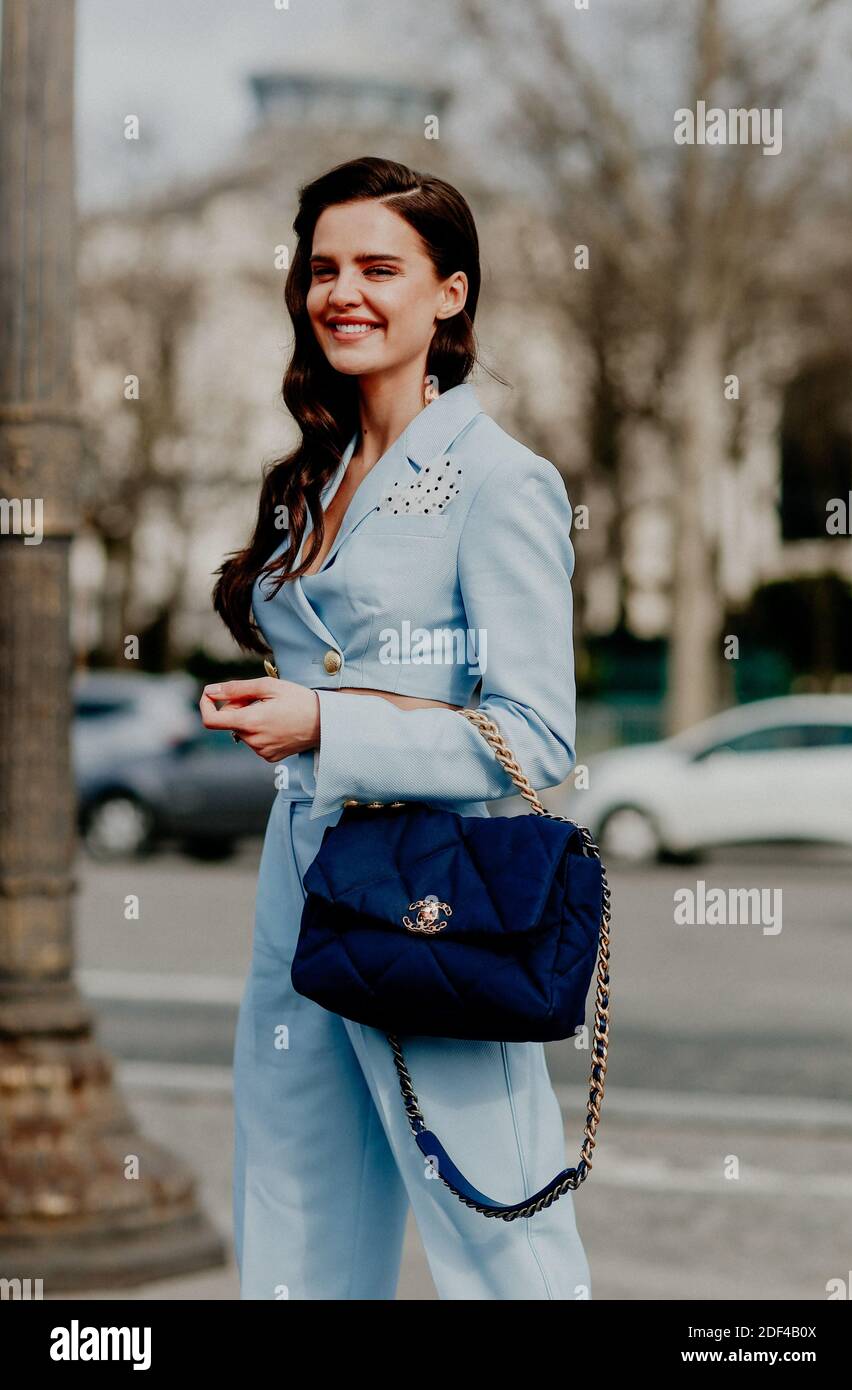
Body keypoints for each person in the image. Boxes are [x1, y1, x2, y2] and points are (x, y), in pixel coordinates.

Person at [203, 155, 591, 1300]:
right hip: (303, 890)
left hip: (436, 896)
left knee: (491, 1225)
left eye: (379, 266)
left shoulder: (498, 481)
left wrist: (326, 723)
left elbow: (536, 740)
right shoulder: (306, 482)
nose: (342, 292)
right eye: (322, 268)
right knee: (292, 1198)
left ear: (450, 295)